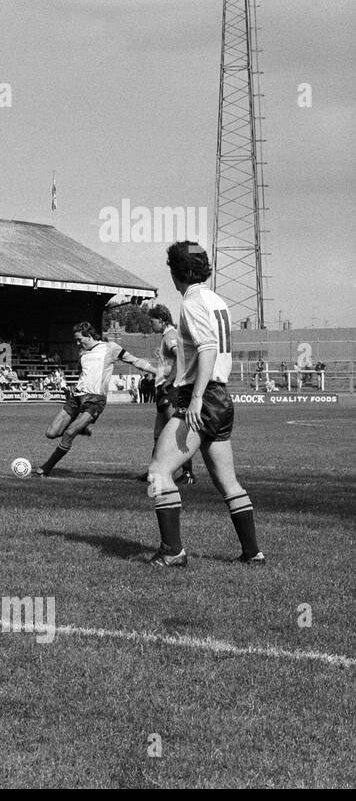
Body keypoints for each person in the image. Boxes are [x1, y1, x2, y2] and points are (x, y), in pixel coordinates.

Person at [146, 242, 263, 567]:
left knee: (158, 471)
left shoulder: (193, 301)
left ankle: (172, 551)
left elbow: (208, 347)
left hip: (204, 397)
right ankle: (253, 553)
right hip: (221, 398)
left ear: (178, 271)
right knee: (228, 482)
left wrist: (194, 397)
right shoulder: (215, 300)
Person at [35, 322, 157, 476]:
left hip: (95, 400)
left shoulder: (110, 348)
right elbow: (83, 373)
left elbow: (135, 361)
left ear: (90, 335)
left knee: (69, 433)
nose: (77, 343)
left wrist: (157, 372)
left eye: (79, 339)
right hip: (77, 397)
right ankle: (82, 428)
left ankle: (46, 468)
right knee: (51, 433)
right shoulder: (82, 353)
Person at [143, 304, 195, 485]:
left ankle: (188, 473)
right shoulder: (166, 337)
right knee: (158, 434)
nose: (151, 324)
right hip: (163, 390)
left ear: (162, 320)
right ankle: (152, 471)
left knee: (175, 432)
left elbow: (180, 357)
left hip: (170, 391)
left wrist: (170, 381)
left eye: (153, 321)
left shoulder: (171, 336)